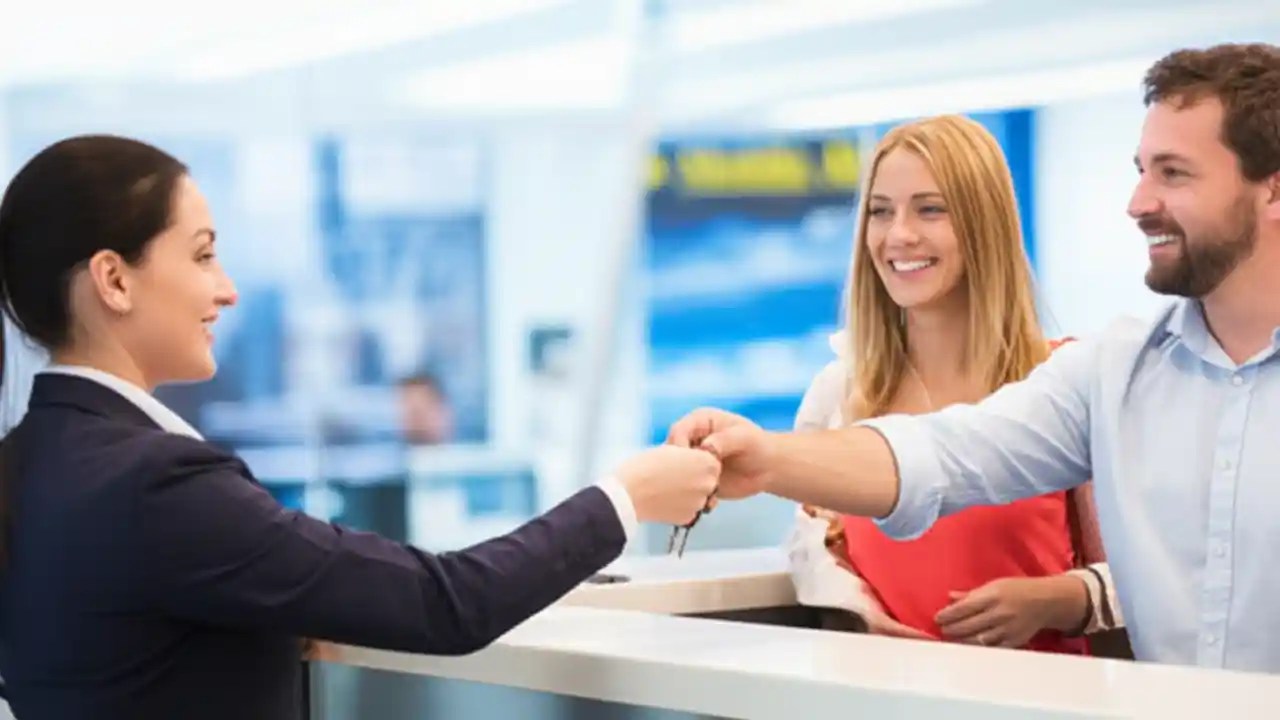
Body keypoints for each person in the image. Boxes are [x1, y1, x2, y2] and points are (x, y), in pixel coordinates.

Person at [0, 135, 721, 720]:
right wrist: (628, 496)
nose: (227, 287)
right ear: (114, 280)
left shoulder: (28, 461)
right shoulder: (156, 484)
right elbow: (448, 603)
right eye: (202, 254)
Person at [669, 42, 1280, 673]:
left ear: (1271, 192)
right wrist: (765, 457)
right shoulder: (1115, 374)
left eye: (1173, 173)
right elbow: (948, 454)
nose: (1136, 202)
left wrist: (1065, 599)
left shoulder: (1073, 365)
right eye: (1141, 170)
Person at [785, 115, 1120, 653]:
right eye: (880, 212)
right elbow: (811, 546)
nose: (899, 235)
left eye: (930, 209)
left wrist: (1057, 598)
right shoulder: (840, 393)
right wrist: (859, 614)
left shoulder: (1065, 383)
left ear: (983, 224)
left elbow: (1161, 581)